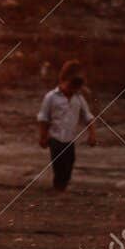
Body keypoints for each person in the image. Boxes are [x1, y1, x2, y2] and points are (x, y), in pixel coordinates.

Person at [37, 59, 96, 191]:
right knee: (59, 165)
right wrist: (43, 136)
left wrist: (92, 134)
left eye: (75, 88)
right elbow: (43, 118)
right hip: (55, 138)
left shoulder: (79, 98)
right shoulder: (51, 97)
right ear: (62, 81)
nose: (72, 90)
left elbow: (88, 116)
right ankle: (58, 187)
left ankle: (62, 185)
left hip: (70, 139)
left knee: (69, 163)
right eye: (70, 86)